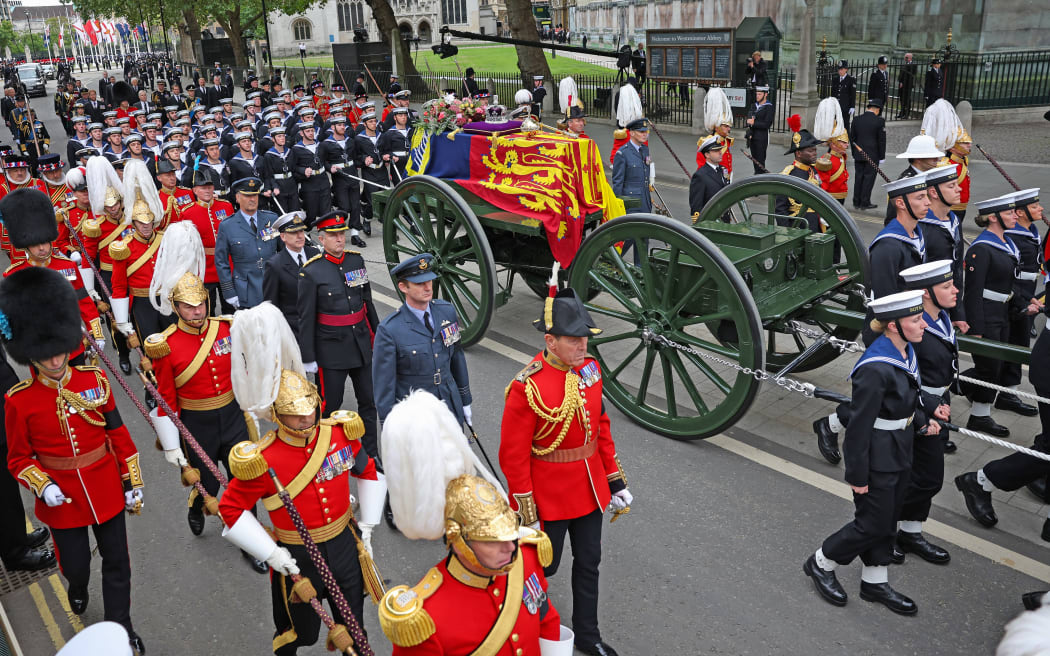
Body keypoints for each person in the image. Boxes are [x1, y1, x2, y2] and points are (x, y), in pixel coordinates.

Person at [217, 303, 383, 654]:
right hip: (296, 554)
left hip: (344, 543)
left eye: (310, 411)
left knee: (355, 626)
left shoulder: (338, 434)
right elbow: (230, 508)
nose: (307, 420)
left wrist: (367, 526)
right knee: (300, 633)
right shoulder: (262, 458)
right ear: (279, 416)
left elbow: (367, 471)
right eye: (297, 416)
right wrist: (272, 553)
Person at [1, 266, 146, 654]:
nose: (55, 360)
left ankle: (122, 628)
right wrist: (43, 485)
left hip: (106, 488)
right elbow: (18, 459)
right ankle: (78, 587)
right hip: (62, 499)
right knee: (76, 566)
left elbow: (118, 434)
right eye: (46, 354)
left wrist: (132, 482)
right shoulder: (19, 400)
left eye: (60, 350)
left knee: (118, 564)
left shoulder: (94, 382)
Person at [499, 287, 632, 656]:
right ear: (550, 341)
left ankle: (588, 636)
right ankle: (530, 630)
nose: (583, 346)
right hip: (549, 498)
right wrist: (527, 515)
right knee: (543, 571)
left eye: (585, 338)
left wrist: (615, 480)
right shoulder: (527, 387)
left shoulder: (590, 370)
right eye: (574, 340)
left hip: (589, 490)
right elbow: (513, 458)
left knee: (589, 563)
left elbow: (600, 428)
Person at [142, 224, 268, 572]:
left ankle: (251, 543)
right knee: (209, 481)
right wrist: (172, 444)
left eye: (200, 305)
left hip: (231, 415)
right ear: (176, 307)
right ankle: (197, 503)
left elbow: (244, 369)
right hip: (196, 422)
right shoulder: (165, 345)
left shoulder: (225, 327)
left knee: (243, 480)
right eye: (189, 307)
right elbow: (166, 398)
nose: (197, 312)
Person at [804, 289, 936, 616]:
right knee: (871, 524)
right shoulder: (876, 368)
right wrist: (857, 475)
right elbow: (859, 427)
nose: (923, 325)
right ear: (893, 326)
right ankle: (822, 561)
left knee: (888, 520)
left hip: (900, 448)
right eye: (916, 320)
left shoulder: (904, 350)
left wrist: (921, 423)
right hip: (877, 457)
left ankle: (874, 581)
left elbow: (908, 398)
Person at [813, 173, 931, 463]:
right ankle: (831, 425)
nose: (928, 202)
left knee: (893, 394)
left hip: (907, 326)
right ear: (901, 203)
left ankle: (832, 425)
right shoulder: (889, 246)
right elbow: (883, 302)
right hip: (888, 330)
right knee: (879, 397)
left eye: (927, 196)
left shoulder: (916, 234)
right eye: (920, 198)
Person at [297, 212, 380, 458]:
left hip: (361, 344)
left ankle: (371, 455)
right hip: (331, 349)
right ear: (321, 240)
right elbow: (306, 317)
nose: (340, 239)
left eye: (341, 234)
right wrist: (308, 357)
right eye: (333, 236)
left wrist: (378, 335)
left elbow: (367, 302)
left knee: (369, 401)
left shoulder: (356, 261)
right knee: (330, 404)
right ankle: (323, 452)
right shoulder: (311, 272)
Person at [892, 261, 957, 564]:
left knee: (926, 477)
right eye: (946, 286)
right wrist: (922, 415)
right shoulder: (912, 328)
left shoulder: (942, 318)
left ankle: (910, 530)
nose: (955, 290)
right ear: (925, 293)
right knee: (916, 476)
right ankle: (882, 529)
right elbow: (902, 376)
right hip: (917, 408)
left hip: (938, 403)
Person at [959, 194, 1038, 439]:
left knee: (996, 366)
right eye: (1010, 213)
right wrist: (975, 327)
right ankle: (952, 383)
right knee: (989, 368)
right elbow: (972, 292)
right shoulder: (981, 249)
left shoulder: (1006, 243)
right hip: (986, 314)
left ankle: (978, 415)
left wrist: (1025, 302)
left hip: (1003, 312)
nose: (1015, 215)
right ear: (993, 217)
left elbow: (1010, 283)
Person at [372, 252, 472, 426]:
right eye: (419, 283)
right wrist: (389, 426)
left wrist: (465, 399)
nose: (428, 287)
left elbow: (457, 356)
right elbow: (384, 385)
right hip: (416, 415)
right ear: (403, 287)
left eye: (430, 281)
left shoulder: (446, 311)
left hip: (449, 403)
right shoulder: (389, 330)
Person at [999, 189, 1043, 416]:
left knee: (1019, 344)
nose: (1041, 209)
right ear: (1020, 212)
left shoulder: (1030, 231)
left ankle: (1009, 392)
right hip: (1014, 302)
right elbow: (1008, 276)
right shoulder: (1014, 237)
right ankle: (1000, 393)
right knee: (1010, 347)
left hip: (1027, 297)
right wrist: (1023, 302)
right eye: (1035, 207)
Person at [214, 177, 280, 310]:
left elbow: (284, 251)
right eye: (247, 195)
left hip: (273, 286)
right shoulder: (227, 226)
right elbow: (221, 262)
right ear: (237, 198)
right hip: (246, 290)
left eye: (255, 195)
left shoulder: (271, 219)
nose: (252, 199)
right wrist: (229, 292)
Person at [176, 167, 236, 314]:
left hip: (227, 264)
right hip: (204, 267)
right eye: (203, 188)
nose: (207, 191)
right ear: (195, 190)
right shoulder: (187, 213)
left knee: (232, 307)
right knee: (208, 308)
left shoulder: (226, 206)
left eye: (209, 187)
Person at [262, 211, 318, 338]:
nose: (299, 236)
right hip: (294, 331)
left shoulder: (315, 255)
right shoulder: (275, 265)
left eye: (301, 231)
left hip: (320, 327)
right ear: (283, 237)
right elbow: (271, 306)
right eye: (293, 232)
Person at [774, 117, 823, 231]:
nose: (815, 154)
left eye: (815, 150)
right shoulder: (788, 175)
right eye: (810, 151)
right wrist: (788, 234)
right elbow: (780, 210)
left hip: (816, 226)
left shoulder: (813, 170)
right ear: (799, 153)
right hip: (799, 228)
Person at [884, 135, 944, 224]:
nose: (937, 159)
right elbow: (892, 220)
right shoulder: (904, 184)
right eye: (932, 156)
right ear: (918, 159)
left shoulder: (933, 177)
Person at [813, 97, 851, 207]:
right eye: (843, 142)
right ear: (834, 144)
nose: (846, 145)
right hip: (831, 199)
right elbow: (823, 185)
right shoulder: (826, 160)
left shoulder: (841, 157)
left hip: (840, 196)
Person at [849, 98, 886, 211]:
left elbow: (852, 138)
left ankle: (856, 201)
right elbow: (881, 140)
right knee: (868, 178)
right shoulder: (879, 121)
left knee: (859, 177)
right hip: (872, 155)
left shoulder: (856, 119)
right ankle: (865, 202)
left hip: (859, 154)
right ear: (877, 110)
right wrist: (882, 156)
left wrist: (854, 152)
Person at [689, 135, 729, 222]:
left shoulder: (724, 170)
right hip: (711, 223)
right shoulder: (700, 176)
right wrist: (699, 225)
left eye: (720, 149)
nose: (720, 152)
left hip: (724, 221)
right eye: (716, 151)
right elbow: (696, 205)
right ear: (707, 155)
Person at [698, 87, 733, 176]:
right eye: (725, 126)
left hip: (726, 177)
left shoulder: (727, 141)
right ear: (717, 127)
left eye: (729, 126)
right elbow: (702, 166)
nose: (729, 129)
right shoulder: (707, 142)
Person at [746, 85, 774, 174]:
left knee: (760, 161)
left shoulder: (769, 107)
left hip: (761, 138)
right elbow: (749, 118)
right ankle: (757, 175)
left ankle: (760, 177)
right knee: (754, 160)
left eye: (759, 94)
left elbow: (767, 124)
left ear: (765, 94)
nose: (757, 96)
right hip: (752, 137)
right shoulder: (754, 105)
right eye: (756, 94)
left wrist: (754, 123)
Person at [831, 60, 856, 135]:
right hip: (836, 106)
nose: (840, 71)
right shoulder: (835, 79)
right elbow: (833, 93)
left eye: (841, 69)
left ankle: (846, 140)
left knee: (845, 124)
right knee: (836, 123)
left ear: (846, 69)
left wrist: (852, 106)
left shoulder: (851, 80)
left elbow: (853, 94)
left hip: (845, 107)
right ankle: (835, 140)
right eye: (839, 69)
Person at [897, 53, 917, 119]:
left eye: (906, 57)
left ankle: (906, 114)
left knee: (907, 99)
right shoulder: (903, 64)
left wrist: (908, 64)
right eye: (905, 57)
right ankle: (901, 113)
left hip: (908, 85)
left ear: (910, 58)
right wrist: (900, 82)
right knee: (902, 99)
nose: (905, 58)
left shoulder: (913, 65)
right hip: (902, 85)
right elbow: (901, 74)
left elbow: (912, 73)